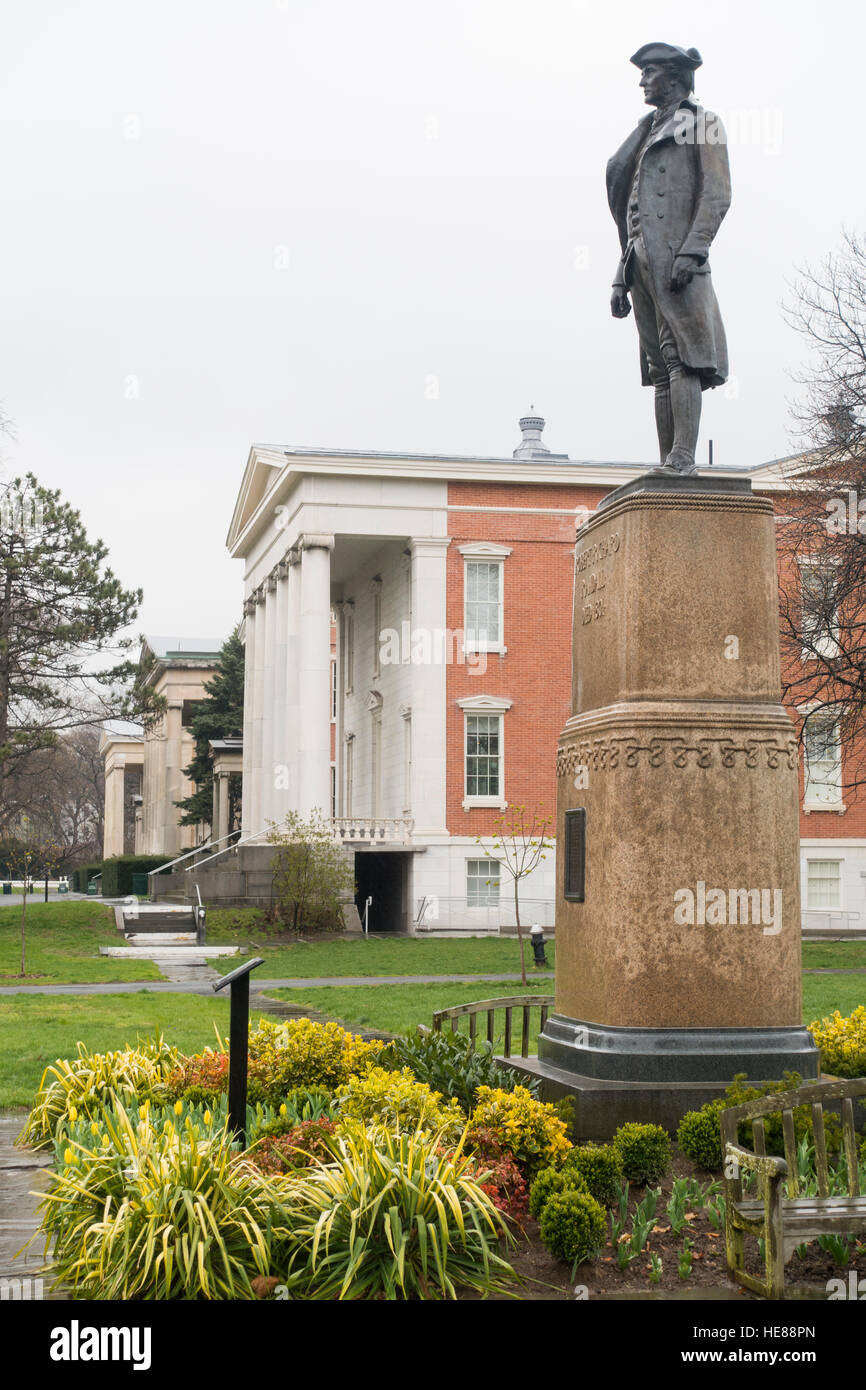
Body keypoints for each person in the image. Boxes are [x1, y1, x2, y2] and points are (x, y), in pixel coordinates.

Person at [607, 43, 731, 476]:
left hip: (679, 260)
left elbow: (716, 194)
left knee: (683, 357)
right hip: (640, 261)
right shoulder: (641, 133)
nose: (642, 81)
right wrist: (620, 277)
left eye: (650, 72)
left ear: (675, 77)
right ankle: (667, 462)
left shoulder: (705, 124)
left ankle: (683, 457)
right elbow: (632, 212)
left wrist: (693, 250)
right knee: (659, 366)